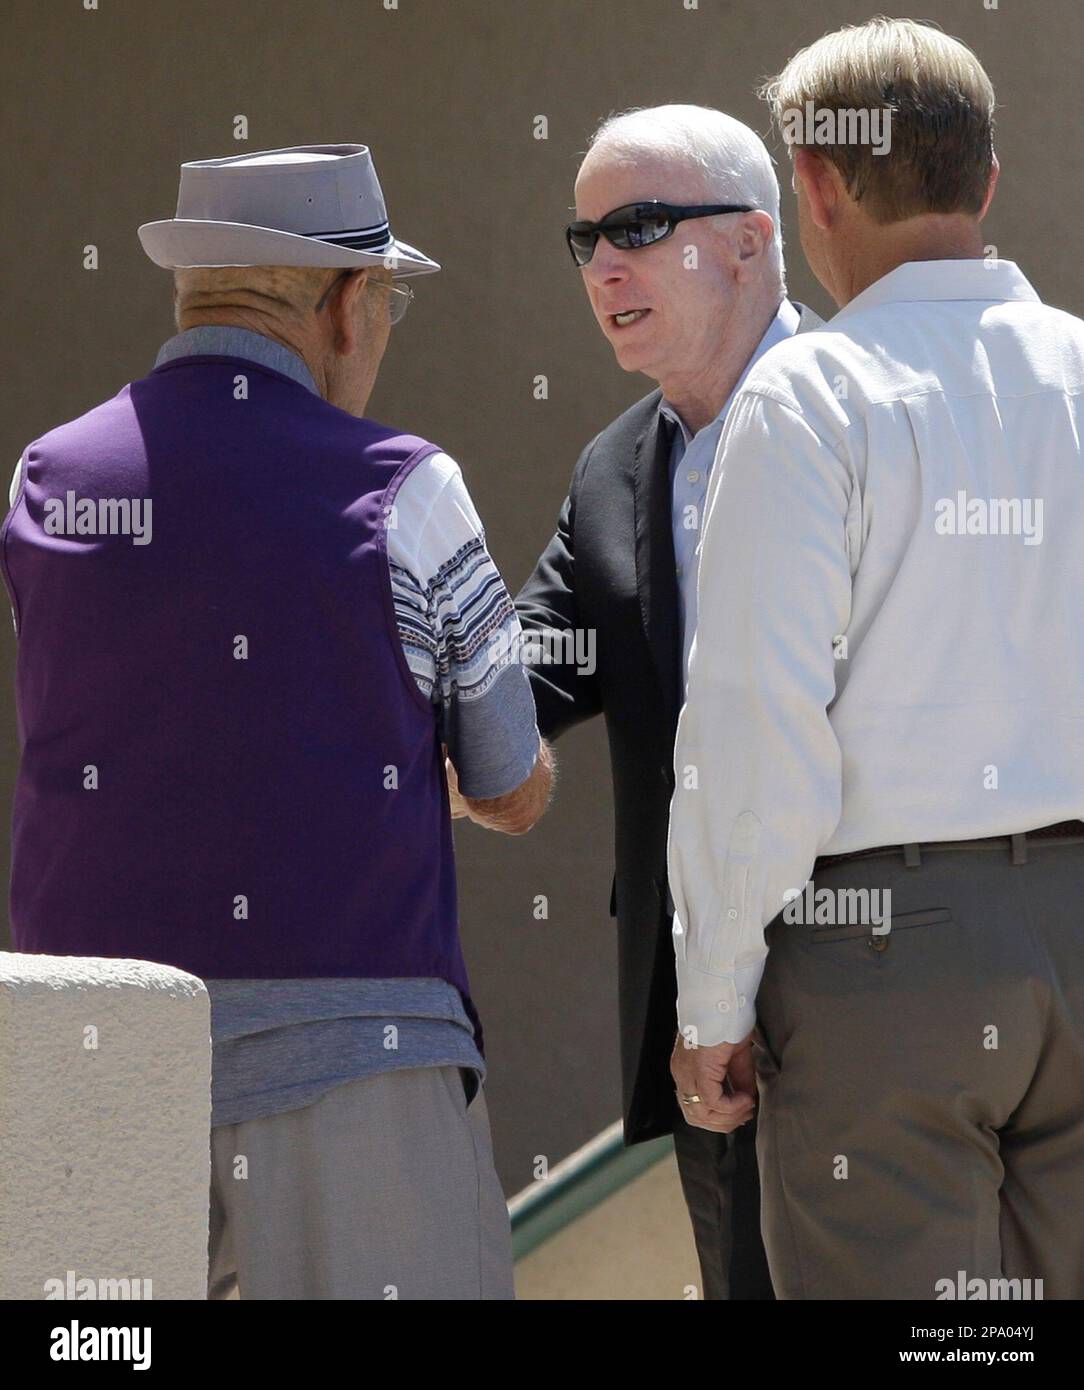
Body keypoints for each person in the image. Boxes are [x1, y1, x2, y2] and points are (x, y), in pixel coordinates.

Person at [1, 143, 553, 1300]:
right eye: (389, 299)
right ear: (351, 303)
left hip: (87, 1057)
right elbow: (508, 777)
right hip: (355, 1057)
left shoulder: (45, 479)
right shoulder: (408, 485)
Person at [668, 17, 1084, 1299]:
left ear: (815, 184)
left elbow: (755, 726)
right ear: (988, 182)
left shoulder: (805, 397)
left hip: (881, 951)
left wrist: (712, 1007)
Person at [515, 105, 821, 1299]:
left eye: (638, 227)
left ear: (749, 242)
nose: (603, 265)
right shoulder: (611, 468)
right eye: (584, 238)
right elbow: (523, 670)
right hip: (705, 1020)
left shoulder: (876, 413)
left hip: (886, 979)